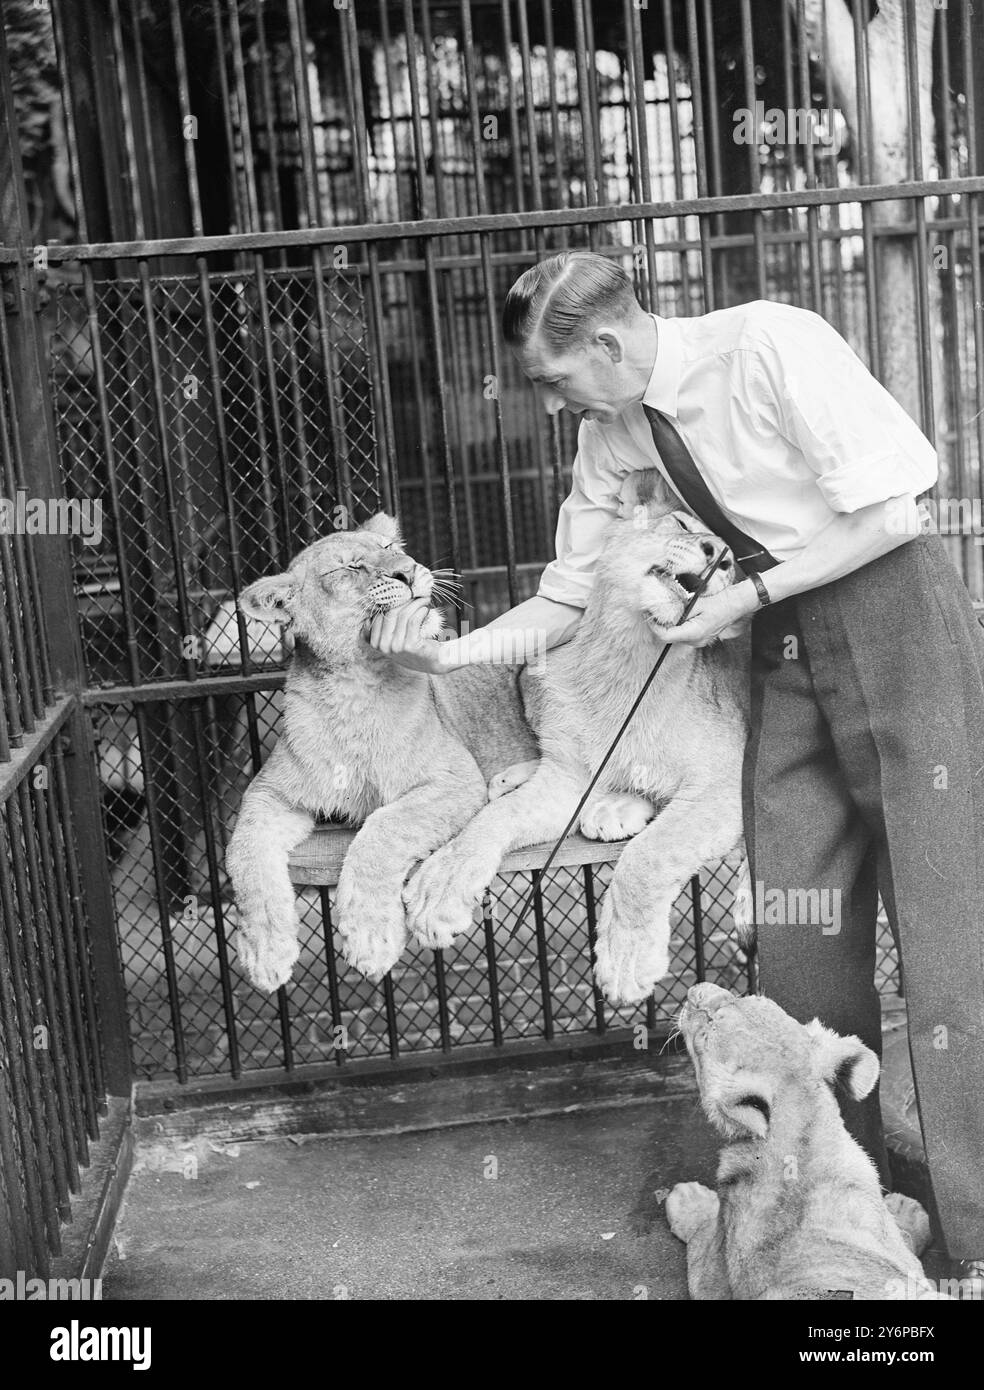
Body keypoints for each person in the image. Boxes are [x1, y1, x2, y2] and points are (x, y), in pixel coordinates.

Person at [368, 250, 984, 1275]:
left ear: (605, 344)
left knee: (952, 932)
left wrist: (743, 597)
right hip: (780, 647)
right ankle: (825, 1217)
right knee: (802, 934)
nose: (555, 406)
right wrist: (447, 653)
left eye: (554, 381)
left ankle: (977, 1235)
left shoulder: (768, 345)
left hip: (892, 621)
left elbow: (892, 510)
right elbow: (565, 598)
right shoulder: (616, 433)